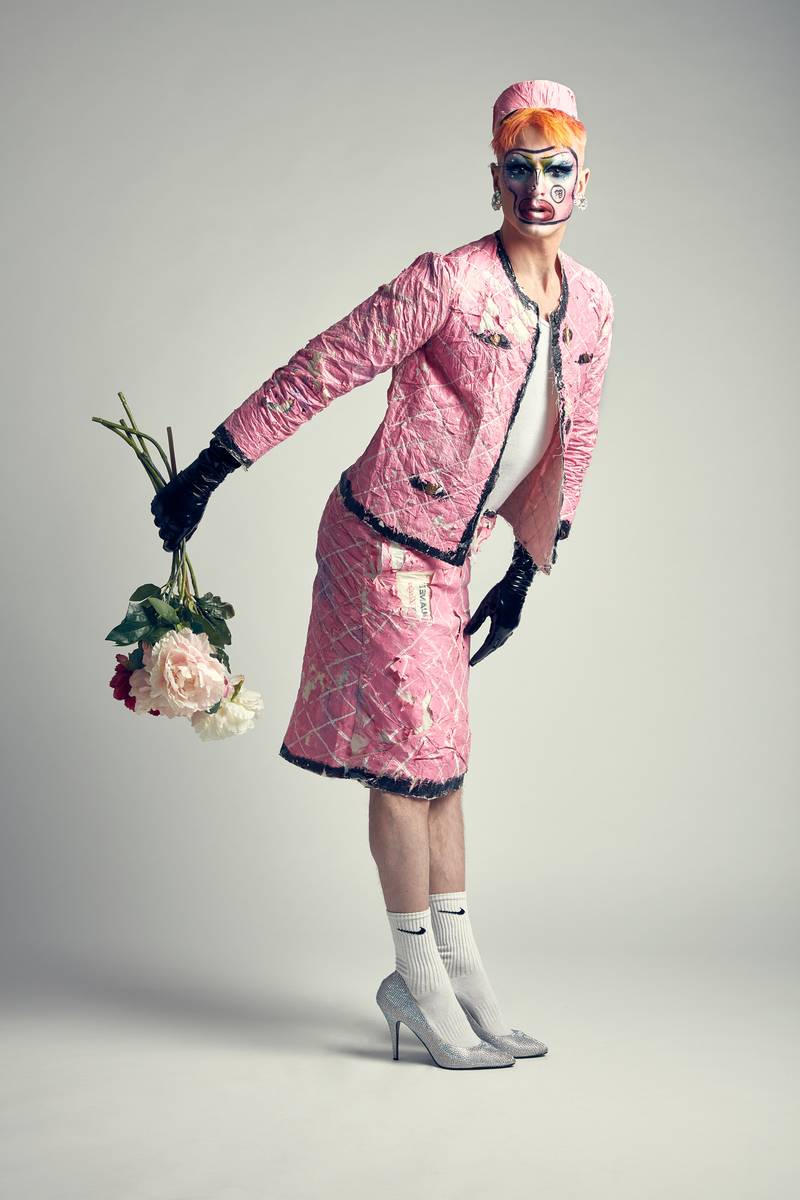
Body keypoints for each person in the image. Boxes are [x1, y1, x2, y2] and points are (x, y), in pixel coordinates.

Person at [151, 79, 615, 1070]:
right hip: (381, 539)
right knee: (409, 763)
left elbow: (571, 443)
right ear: (493, 177)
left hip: (458, 554)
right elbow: (327, 365)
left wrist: (527, 568)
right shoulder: (446, 283)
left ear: (586, 180)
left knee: (445, 763)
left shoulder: (593, 306)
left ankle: (461, 973)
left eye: (557, 169)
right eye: (519, 168)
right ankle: (415, 979)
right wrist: (211, 467)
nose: (538, 189)